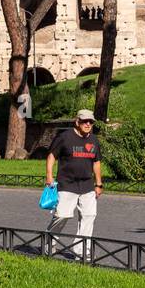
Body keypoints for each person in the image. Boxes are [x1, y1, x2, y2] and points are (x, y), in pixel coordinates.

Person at [46, 110, 104, 259]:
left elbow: (96, 162)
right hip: (67, 184)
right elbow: (52, 155)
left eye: (91, 122)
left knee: (89, 216)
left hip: (87, 185)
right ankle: (49, 243)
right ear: (77, 122)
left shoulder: (94, 140)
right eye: (85, 121)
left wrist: (99, 184)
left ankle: (82, 250)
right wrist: (49, 176)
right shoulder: (64, 137)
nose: (88, 124)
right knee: (63, 215)